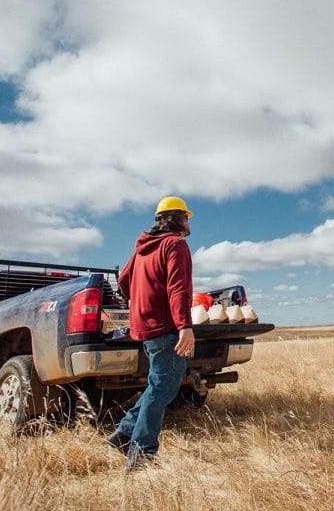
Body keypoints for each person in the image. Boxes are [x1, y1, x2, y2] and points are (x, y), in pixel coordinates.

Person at [107, 196, 197, 472]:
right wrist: (185, 326)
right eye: (186, 216)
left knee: (159, 384)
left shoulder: (142, 250)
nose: (189, 221)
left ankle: (123, 434)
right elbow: (177, 288)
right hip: (166, 328)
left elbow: (123, 281)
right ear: (175, 218)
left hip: (145, 328)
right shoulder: (175, 244)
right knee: (162, 388)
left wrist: (141, 304)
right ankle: (141, 454)